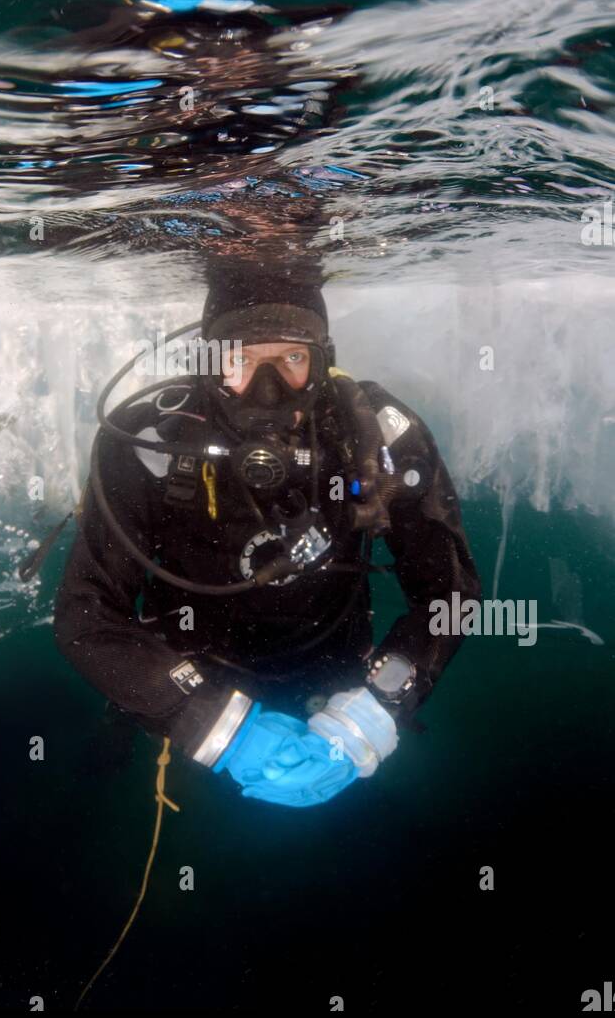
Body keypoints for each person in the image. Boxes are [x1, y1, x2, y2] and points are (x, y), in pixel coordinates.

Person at [53, 267, 481, 809]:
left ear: (323, 362)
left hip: (334, 685)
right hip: (189, 685)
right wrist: (197, 719)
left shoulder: (380, 438)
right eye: (240, 360)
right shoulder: (146, 441)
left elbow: (452, 594)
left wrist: (380, 703)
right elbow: (85, 613)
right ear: (208, 364)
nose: (268, 388)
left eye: (293, 359)